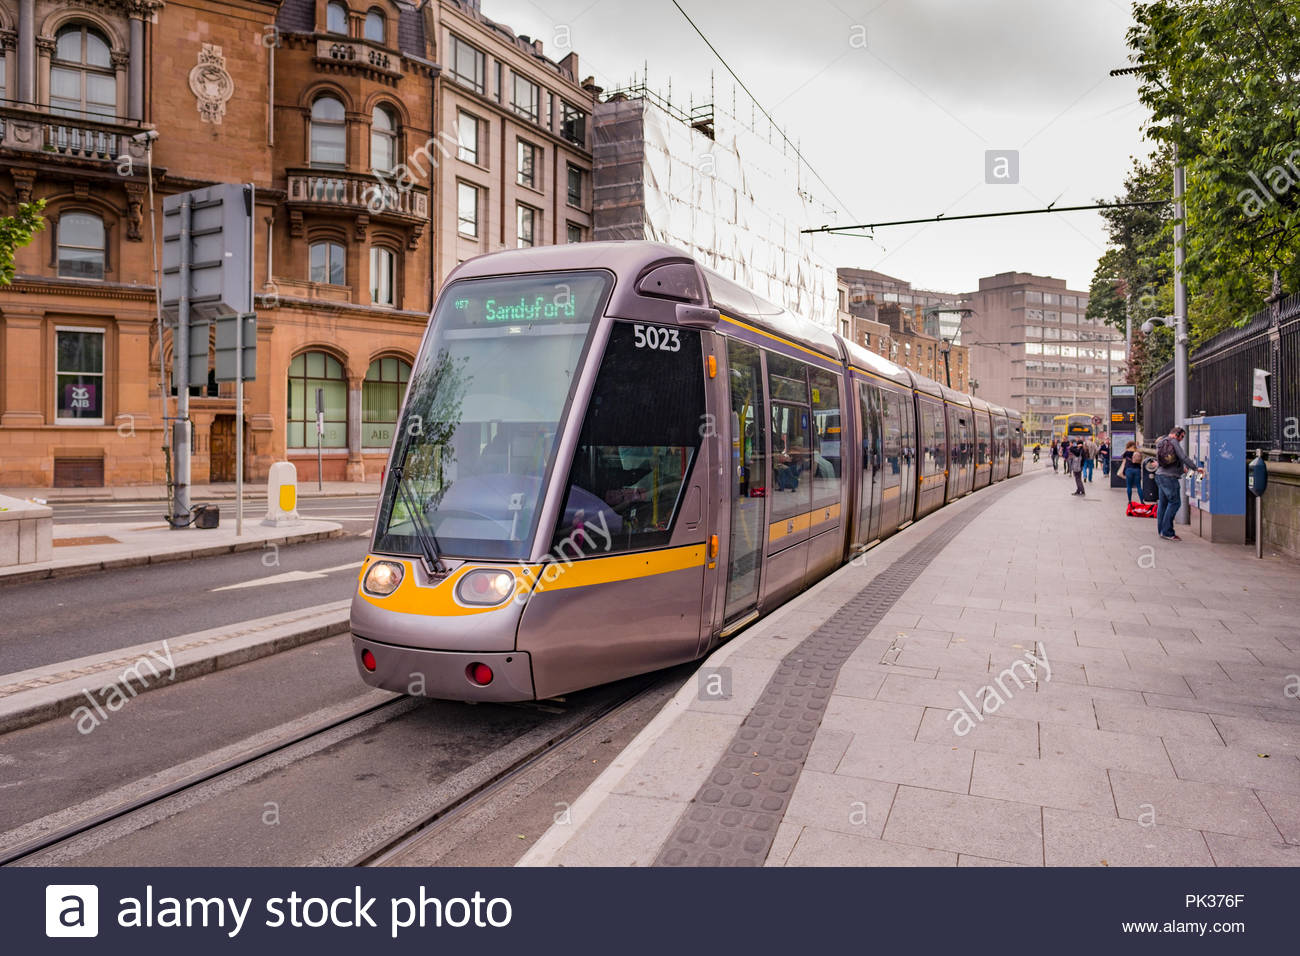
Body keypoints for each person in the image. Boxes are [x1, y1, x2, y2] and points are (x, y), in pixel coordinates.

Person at [1155, 426, 1199, 540]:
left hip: (1160, 475)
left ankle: (1161, 530)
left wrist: (1181, 469)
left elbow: (1164, 461)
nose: (1182, 439)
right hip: (1169, 478)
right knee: (1175, 503)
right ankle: (1168, 532)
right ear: (1176, 434)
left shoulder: (1161, 441)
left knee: (1163, 504)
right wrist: (1196, 468)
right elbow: (1183, 457)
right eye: (1182, 436)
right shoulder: (1173, 441)